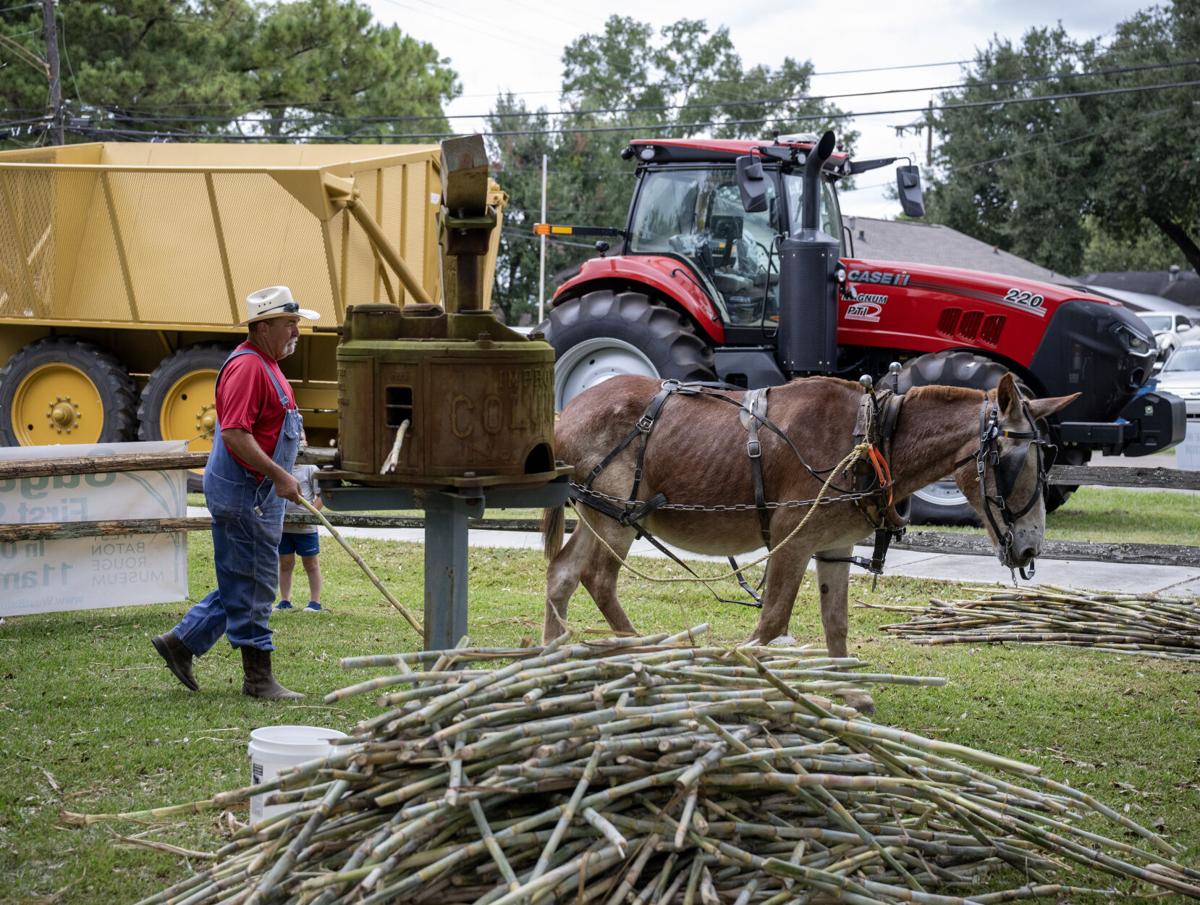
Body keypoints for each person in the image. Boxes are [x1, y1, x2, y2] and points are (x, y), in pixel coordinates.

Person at [152, 286, 319, 700]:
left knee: (243, 578)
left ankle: (181, 642)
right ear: (263, 327)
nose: (297, 330)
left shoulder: (267, 363)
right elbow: (235, 434)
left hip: (256, 492)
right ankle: (258, 680)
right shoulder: (248, 368)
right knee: (258, 582)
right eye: (290, 323)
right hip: (248, 492)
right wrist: (280, 474)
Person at [276, 453, 324, 613]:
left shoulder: (311, 469)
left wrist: (309, 517)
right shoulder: (281, 467)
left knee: (311, 564)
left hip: (306, 529)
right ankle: (284, 600)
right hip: (284, 528)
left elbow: (321, 496)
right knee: (285, 563)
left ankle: (315, 602)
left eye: (301, 439)